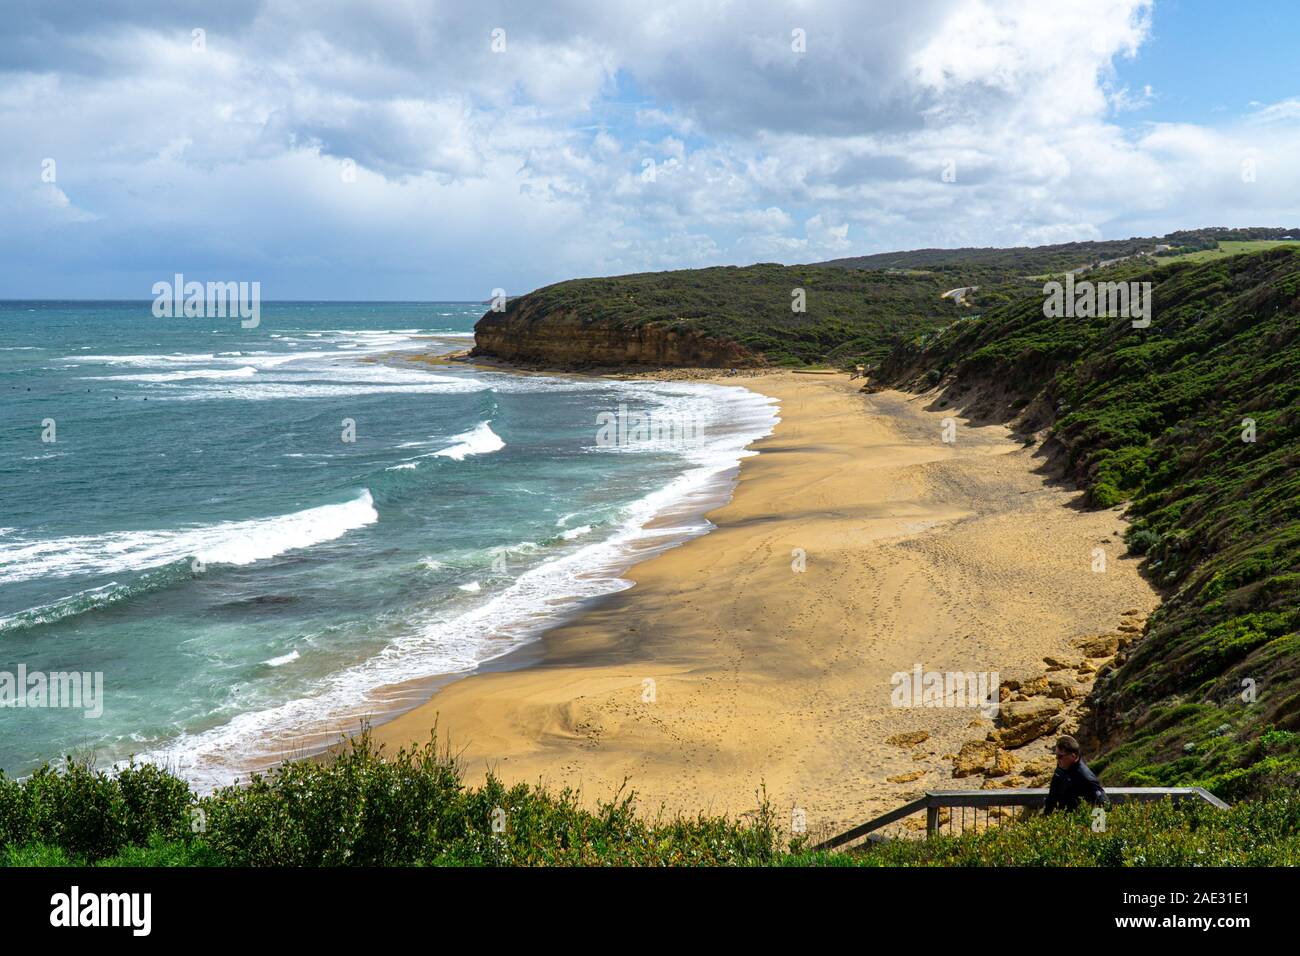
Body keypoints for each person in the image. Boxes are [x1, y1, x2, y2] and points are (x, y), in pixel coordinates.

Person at [1043, 735, 1109, 813]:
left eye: (1060, 756)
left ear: (1073, 756)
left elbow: (1105, 805)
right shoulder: (1062, 768)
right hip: (1059, 819)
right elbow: (1052, 796)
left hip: (1076, 822)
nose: (1057, 759)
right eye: (1056, 755)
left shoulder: (1086, 778)